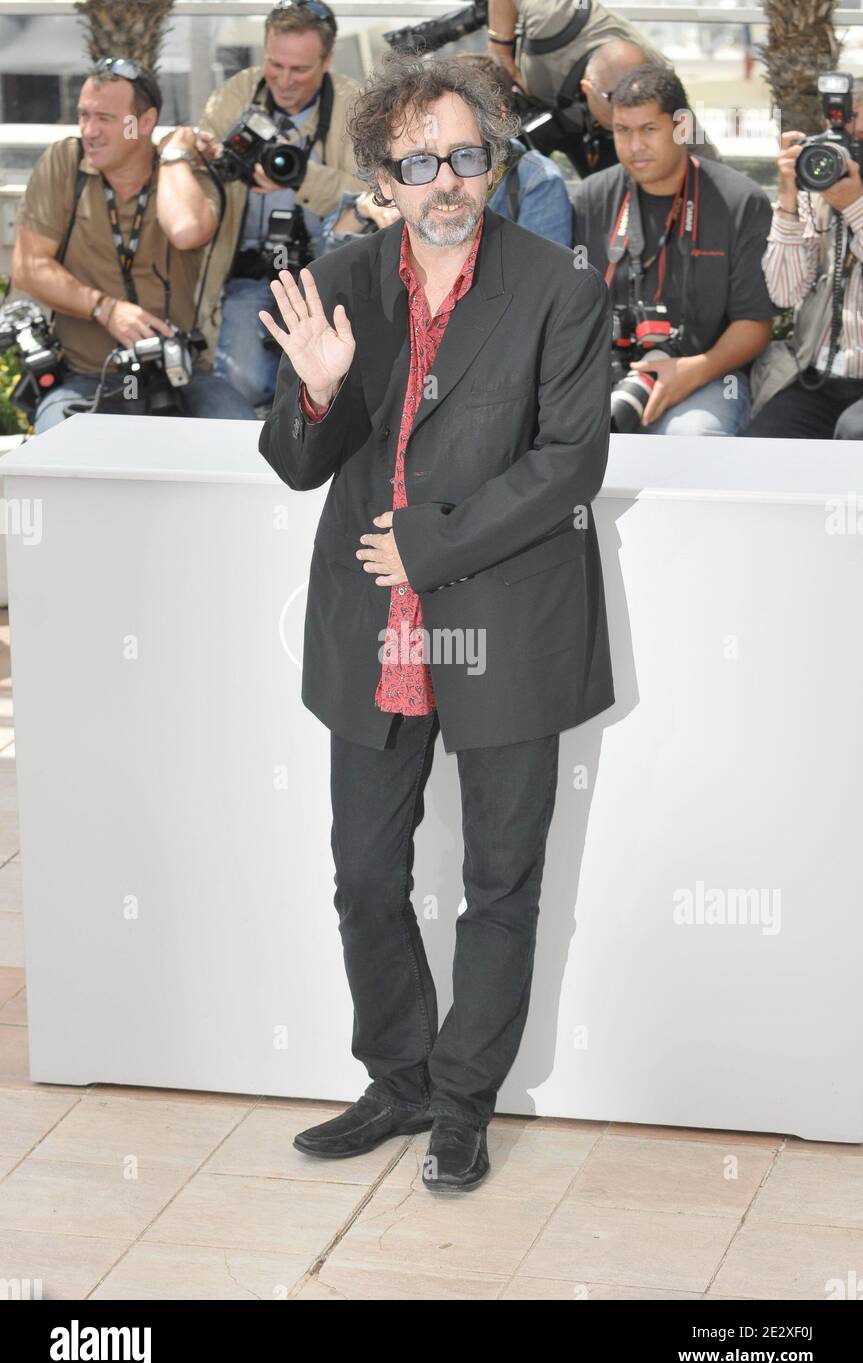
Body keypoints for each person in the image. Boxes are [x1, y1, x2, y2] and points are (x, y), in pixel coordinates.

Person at [257, 51, 614, 1192]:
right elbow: (294, 465)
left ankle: (462, 1102)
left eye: (465, 156)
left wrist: (428, 540)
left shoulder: (558, 288)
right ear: (382, 176)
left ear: (493, 159)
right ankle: (399, 1077)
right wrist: (314, 392)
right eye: (420, 163)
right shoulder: (345, 279)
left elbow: (569, 463)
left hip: (505, 622)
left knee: (498, 881)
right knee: (365, 873)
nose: (447, 181)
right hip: (371, 631)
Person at [11, 58, 256, 431]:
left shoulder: (183, 172)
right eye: (83, 115)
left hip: (179, 376)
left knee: (244, 446)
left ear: (144, 122)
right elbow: (29, 267)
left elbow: (187, 230)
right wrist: (105, 309)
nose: (89, 131)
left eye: (105, 118)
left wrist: (176, 154)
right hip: (87, 376)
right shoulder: (66, 160)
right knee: (58, 456)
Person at [571, 64, 777, 435]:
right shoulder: (593, 197)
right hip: (609, 374)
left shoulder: (740, 201)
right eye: (623, 131)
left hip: (707, 374)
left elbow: (755, 324)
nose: (635, 147)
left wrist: (693, 370)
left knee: (693, 436)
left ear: (682, 127)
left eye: (649, 130)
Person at [195, 0, 366, 407]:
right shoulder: (235, 95)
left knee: (330, 387)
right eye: (275, 65)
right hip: (249, 273)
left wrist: (302, 176)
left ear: (326, 61)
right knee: (244, 385)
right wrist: (199, 156)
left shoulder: (356, 105)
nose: (284, 81)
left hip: (324, 277)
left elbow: (374, 197)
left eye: (300, 69)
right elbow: (200, 180)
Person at [316, 52, 575, 254]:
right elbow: (328, 253)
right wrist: (365, 210)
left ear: (501, 114)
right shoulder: (406, 166)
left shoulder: (536, 179)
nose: (447, 180)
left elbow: (540, 279)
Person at [744, 80, 863, 440]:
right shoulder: (818, 193)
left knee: (853, 432)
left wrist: (855, 207)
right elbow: (783, 293)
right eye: (850, 140)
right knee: (762, 448)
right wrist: (789, 198)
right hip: (816, 377)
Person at [486, 0, 719, 177]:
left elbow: (710, 166)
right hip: (552, 103)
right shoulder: (554, 18)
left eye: (640, 125)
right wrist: (501, 46)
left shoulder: (659, 89)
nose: (627, 127)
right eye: (618, 123)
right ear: (588, 89)